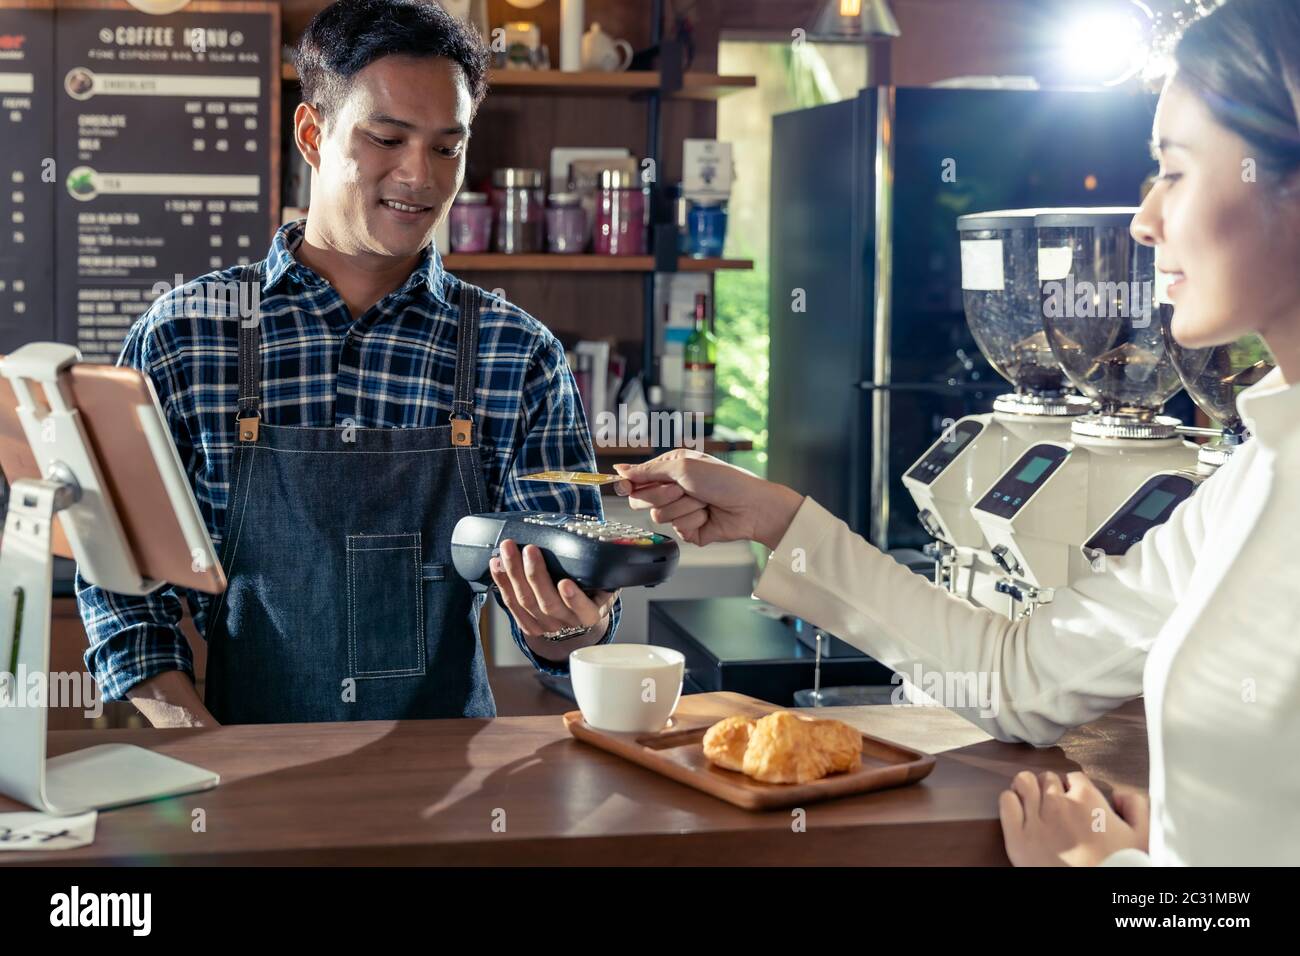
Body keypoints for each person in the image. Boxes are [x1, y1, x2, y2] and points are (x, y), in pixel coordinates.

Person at [614, 0, 1300, 866]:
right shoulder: (1254, 476)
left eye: (1174, 171)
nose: (1143, 220)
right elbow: (1022, 680)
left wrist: (1100, 869)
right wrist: (781, 524)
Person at [77, 0, 620, 727]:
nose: (419, 176)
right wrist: (194, 745)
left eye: (446, 147)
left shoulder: (515, 355)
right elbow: (118, 583)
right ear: (312, 133)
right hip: (235, 781)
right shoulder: (183, 337)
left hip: (446, 785)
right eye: (387, 137)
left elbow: (569, 626)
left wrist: (569, 626)